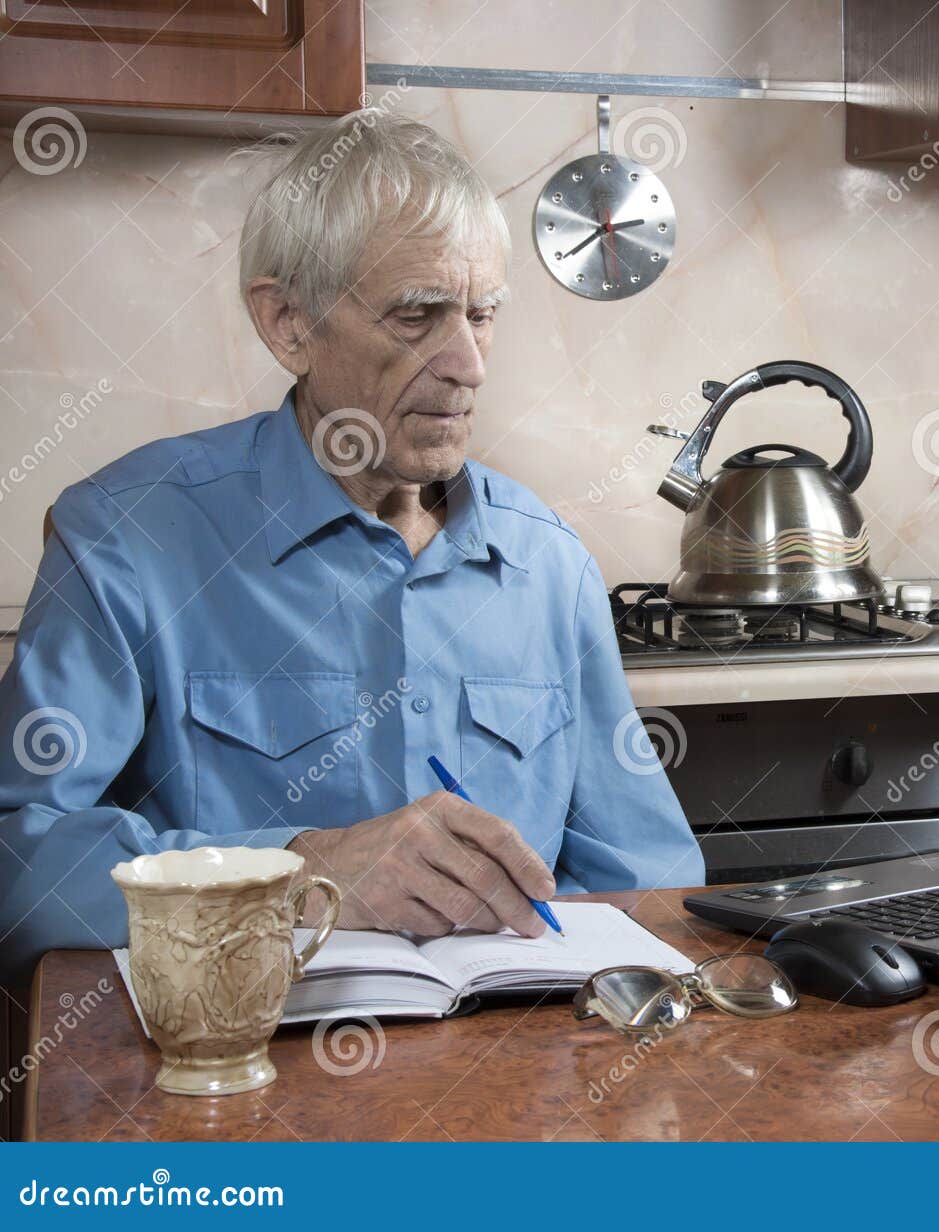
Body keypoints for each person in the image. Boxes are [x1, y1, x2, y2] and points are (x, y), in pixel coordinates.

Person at [0, 111, 703, 982]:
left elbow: (652, 879)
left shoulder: (549, 564)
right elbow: (23, 870)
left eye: (482, 315)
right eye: (417, 316)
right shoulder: (127, 537)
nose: (469, 364)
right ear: (288, 324)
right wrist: (302, 875)